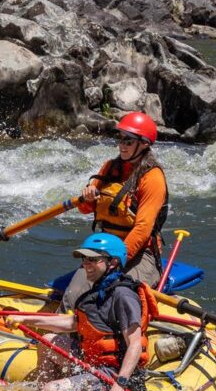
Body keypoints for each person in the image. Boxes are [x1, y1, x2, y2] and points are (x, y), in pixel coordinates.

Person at [23, 233, 155, 391]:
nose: (86, 264)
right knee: (47, 341)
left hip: (113, 373)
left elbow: (135, 344)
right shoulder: (98, 292)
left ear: (113, 262)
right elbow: (74, 323)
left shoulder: (123, 296)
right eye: (84, 259)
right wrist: (24, 320)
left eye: (92, 259)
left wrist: (120, 384)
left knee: (51, 390)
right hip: (93, 359)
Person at [63, 111, 168, 307]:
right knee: (74, 295)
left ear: (144, 144)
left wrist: (117, 260)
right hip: (104, 248)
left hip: (139, 253)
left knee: (117, 294)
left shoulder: (152, 178)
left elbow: (143, 229)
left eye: (128, 141)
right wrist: (88, 197)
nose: (122, 145)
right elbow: (86, 210)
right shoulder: (110, 167)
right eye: (120, 139)